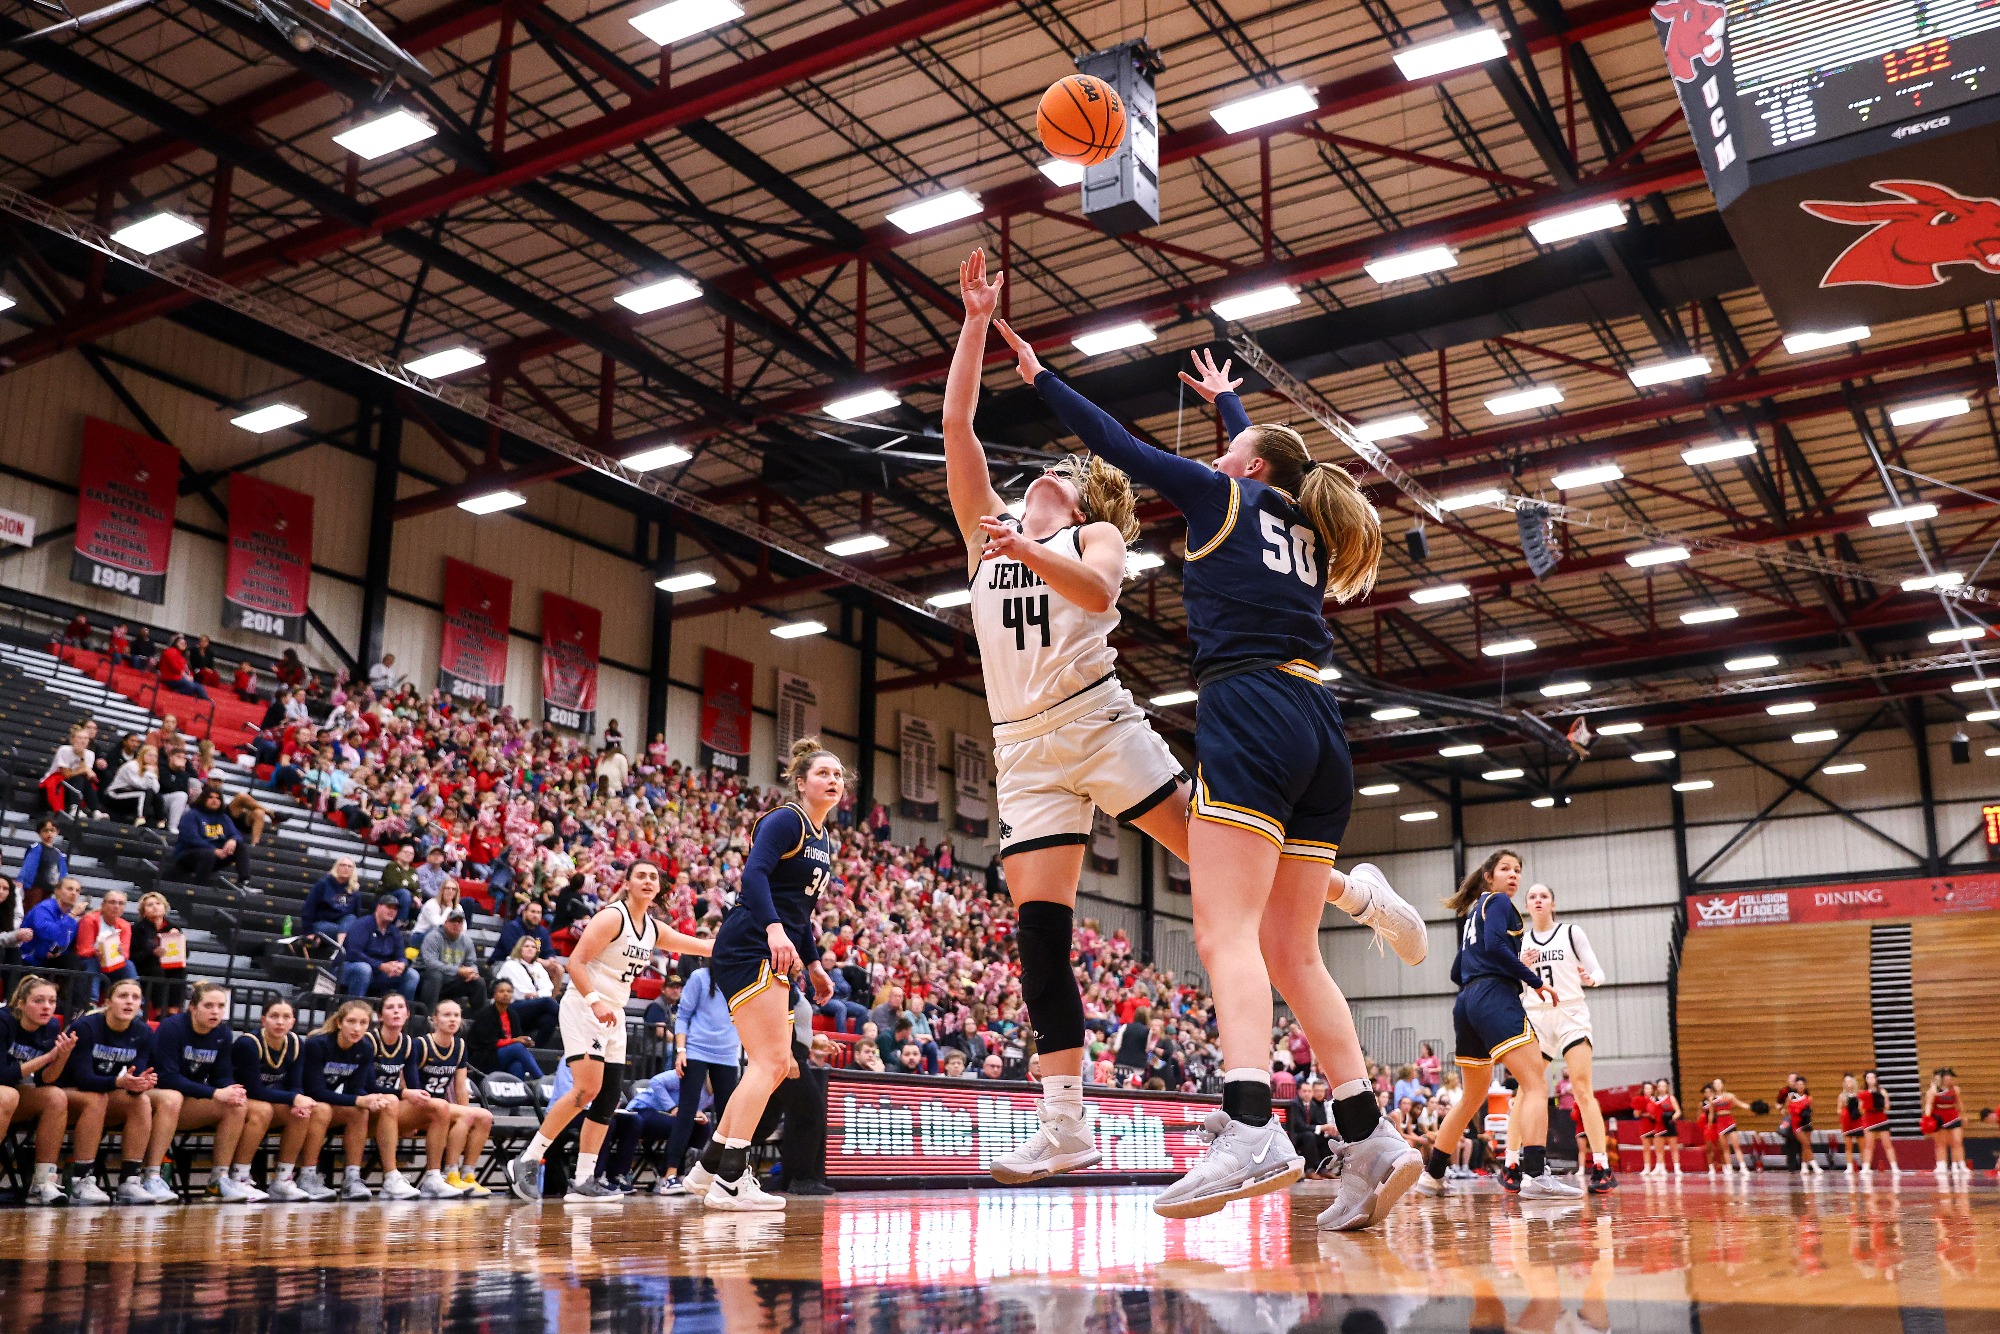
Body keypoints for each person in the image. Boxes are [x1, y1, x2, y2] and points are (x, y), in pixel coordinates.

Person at [995, 316, 1428, 1227]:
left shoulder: (1221, 493)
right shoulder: (1303, 518)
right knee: (1292, 950)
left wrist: (1040, 377)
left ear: (1248, 466)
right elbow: (1273, 459)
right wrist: (1231, 405)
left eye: (1230, 447)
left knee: (1226, 933)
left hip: (1251, 711)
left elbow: (1118, 444)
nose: (1217, 454)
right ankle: (1371, 1137)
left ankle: (1250, 1125)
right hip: (1319, 724)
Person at [945, 250, 1195, 1185]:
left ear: (1084, 499)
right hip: (1023, 750)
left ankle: (1342, 893)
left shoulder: (1094, 536)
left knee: (1217, 859)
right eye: (1044, 466)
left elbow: (1095, 591)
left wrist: (1025, 547)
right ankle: (1064, 1123)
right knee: (1040, 935)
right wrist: (976, 323)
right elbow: (957, 425)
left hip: (1098, 723)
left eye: (1066, 469)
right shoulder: (987, 534)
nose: (1049, 469)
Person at [679, 740, 842, 1212]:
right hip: (751, 942)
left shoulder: (823, 839)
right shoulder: (785, 820)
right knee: (770, 1063)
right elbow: (753, 877)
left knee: (772, 1066)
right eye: (823, 773)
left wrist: (814, 964)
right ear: (801, 782)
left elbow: (800, 912)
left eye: (837, 775)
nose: (833, 780)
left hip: (775, 948)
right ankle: (731, 1178)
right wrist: (773, 929)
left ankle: (709, 1168)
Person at [504, 860, 710, 1202]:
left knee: (609, 1098)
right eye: (640, 875)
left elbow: (703, 946)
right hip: (586, 1005)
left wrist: (750, 938)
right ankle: (526, 1159)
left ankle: (585, 1179)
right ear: (627, 883)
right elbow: (576, 962)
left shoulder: (653, 929)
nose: (647, 880)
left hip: (614, 1011)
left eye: (653, 877)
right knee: (586, 1089)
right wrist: (595, 1001)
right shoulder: (613, 917)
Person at [1415, 850, 1582, 1202]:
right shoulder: (1500, 903)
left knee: (1471, 1096)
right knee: (1535, 1084)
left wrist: (1504, 967)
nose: (1514, 875)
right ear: (1489, 876)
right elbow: (1493, 946)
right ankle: (1535, 1175)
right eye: (1506, 869)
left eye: (1518, 870)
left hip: (1466, 1002)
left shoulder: (1474, 913)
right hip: (1493, 997)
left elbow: (1457, 971)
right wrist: (1532, 980)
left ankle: (1433, 1175)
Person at [1518, 882, 1613, 1193]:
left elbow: (1598, 972)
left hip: (1570, 1012)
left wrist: (1590, 979)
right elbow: (1513, 985)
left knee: (1582, 1087)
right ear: (1526, 905)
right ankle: (1513, 1162)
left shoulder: (1571, 933)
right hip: (1537, 1015)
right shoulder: (1521, 941)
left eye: (1544, 896)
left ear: (1553, 903)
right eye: (1532, 897)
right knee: (1526, 1091)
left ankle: (1602, 1164)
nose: (1538, 900)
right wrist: (1521, 967)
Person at [59, 977, 170, 1204]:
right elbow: (83, 1078)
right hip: (69, 1093)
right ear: (107, 1002)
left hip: (106, 1092)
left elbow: (134, 1075)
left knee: (141, 1101)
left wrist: (141, 1084)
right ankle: (82, 1180)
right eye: (122, 996)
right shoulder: (86, 1027)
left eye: (135, 998)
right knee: (96, 1098)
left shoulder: (143, 1033)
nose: (129, 1002)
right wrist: (120, 1082)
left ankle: (130, 1181)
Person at [153, 981, 261, 1201]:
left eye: (221, 1006)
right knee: (173, 1097)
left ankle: (218, 1180)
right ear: (193, 1008)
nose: (215, 1011)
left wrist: (231, 1090)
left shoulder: (222, 1033)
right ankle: (151, 1176)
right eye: (209, 1005)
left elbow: (222, 1075)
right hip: (156, 1098)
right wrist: (214, 1093)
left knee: (236, 1106)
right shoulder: (172, 1027)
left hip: (188, 1101)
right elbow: (167, 1077)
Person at [235, 997, 337, 1201]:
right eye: (274, 1016)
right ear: (263, 1020)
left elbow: (296, 1084)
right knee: (264, 1109)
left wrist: (297, 1101)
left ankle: (283, 1179)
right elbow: (254, 1090)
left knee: (303, 1113)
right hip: (244, 1100)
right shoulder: (248, 1043)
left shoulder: (296, 1043)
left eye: (286, 1017)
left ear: (293, 1021)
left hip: (274, 1101)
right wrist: (294, 1097)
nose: (280, 1022)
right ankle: (239, 1178)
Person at [357, 991, 456, 1198]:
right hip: (363, 1106)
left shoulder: (408, 1043)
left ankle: (433, 1177)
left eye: (400, 1007)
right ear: (380, 1016)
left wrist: (415, 1113)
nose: (396, 1012)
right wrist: (404, 1093)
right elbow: (367, 1086)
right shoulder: (368, 1041)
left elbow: (414, 1087)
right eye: (390, 1008)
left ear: (408, 1014)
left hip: (389, 1107)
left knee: (440, 1106)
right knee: (392, 1100)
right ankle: (391, 1178)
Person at [302, 999, 400, 1200]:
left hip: (327, 1103)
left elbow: (355, 1089)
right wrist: (359, 1100)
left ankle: (352, 1178)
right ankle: (307, 1176)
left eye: (363, 1023)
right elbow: (314, 1090)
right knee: (328, 1108)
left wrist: (370, 1100)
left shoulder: (364, 1048)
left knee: (359, 1111)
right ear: (339, 1023)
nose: (357, 1028)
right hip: (304, 1103)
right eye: (351, 1021)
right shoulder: (317, 1044)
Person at [659, 960, 740, 1195]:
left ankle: (724, 1175)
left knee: (728, 1116)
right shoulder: (699, 977)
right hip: (696, 1050)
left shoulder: (741, 979)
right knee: (687, 1112)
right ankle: (669, 1175)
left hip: (727, 1054)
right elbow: (683, 1015)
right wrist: (681, 1051)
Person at [4, 974, 80, 1204]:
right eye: (38, 1001)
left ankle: (42, 1182)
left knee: (55, 1097)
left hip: (12, 1097)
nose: (47, 1007)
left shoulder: (51, 1026)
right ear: (20, 1004)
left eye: (52, 1001)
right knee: (7, 1095)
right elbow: (2, 1075)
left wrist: (61, 1057)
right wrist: (47, 1057)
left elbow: (45, 1080)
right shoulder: (4, 1022)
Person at [413, 998, 493, 1196]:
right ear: (434, 1019)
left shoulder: (459, 1045)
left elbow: (460, 1087)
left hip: (442, 1108)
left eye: (456, 1015)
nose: (453, 1019)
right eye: (447, 1015)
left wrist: (468, 1114)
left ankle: (468, 1175)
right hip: (418, 1105)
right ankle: (450, 1173)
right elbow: (406, 1082)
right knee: (464, 1114)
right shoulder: (421, 1044)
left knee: (484, 1116)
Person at [339, 896, 418, 1002]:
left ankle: (403, 1009)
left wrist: (402, 965)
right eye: (388, 907)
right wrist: (380, 965)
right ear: (378, 907)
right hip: (350, 967)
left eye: (395, 909)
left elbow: (401, 956)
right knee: (363, 969)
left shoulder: (394, 931)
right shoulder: (362, 924)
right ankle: (354, 1007)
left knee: (412, 975)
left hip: (380, 974)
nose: (392, 911)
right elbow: (353, 953)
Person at [467, 980, 545, 1083]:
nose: (506, 994)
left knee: (517, 1066)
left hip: (504, 1057)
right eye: (501, 991)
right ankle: (541, 1079)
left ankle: (518, 1092)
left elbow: (516, 1038)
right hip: (485, 1058)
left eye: (509, 991)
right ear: (494, 995)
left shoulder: (513, 1015)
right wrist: (514, 1041)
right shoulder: (485, 1014)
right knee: (517, 1047)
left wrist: (524, 1042)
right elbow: (487, 1042)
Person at [170, 786, 248, 885]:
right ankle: (200, 886)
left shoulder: (223, 817)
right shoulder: (192, 815)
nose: (215, 800)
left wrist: (233, 839)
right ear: (203, 799)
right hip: (189, 854)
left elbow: (236, 834)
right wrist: (213, 850)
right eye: (211, 797)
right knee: (208, 854)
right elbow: (191, 838)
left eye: (218, 798)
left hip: (215, 855)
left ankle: (244, 882)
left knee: (240, 846)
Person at [75, 889, 137, 1003]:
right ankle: (91, 1001)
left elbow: (126, 954)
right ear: (103, 905)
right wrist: (97, 952)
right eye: (112, 902)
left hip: (113, 964)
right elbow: (83, 950)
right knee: (94, 963)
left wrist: (120, 953)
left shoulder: (125, 925)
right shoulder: (90, 919)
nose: (116, 906)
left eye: (121, 903)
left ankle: (136, 1000)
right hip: (90, 961)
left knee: (128, 965)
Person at [419, 909, 487, 1011]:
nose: (456, 924)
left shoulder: (466, 941)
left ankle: (480, 1017)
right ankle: (429, 1014)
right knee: (435, 975)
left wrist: (473, 973)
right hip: (428, 980)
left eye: (459, 922)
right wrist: (458, 970)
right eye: (453, 921)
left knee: (478, 981)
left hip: (452, 983)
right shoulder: (433, 936)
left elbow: (471, 963)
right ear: (446, 922)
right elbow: (430, 963)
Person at [130, 891, 187, 1012]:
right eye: (150, 905)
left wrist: (178, 941)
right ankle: (159, 1011)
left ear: (165, 907)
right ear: (143, 911)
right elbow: (133, 956)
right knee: (158, 970)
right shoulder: (137, 929)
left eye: (158, 903)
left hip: (170, 965)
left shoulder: (173, 927)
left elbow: (186, 954)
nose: (155, 907)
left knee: (179, 970)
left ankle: (174, 1010)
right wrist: (152, 953)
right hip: (146, 967)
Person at [17, 875, 82, 970]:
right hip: (29, 959)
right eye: (69, 889)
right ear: (57, 891)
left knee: (72, 960)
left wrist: (57, 953)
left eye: (77, 891)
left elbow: (66, 945)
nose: (74, 893)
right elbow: (49, 934)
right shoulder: (44, 908)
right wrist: (72, 915)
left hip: (49, 960)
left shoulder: (71, 918)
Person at [304, 856, 365, 950]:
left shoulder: (354, 891)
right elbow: (309, 907)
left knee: (351, 918)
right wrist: (308, 932)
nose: (346, 868)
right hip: (322, 924)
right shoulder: (323, 884)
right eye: (343, 865)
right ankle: (341, 948)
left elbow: (357, 915)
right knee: (348, 933)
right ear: (336, 867)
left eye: (349, 866)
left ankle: (339, 947)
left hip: (344, 925)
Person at [40, 723, 97, 816]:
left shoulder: (90, 754)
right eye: (80, 738)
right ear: (72, 739)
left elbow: (86, 776)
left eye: (86, 738)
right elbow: (66, 774)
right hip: (58, 778)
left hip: (76, 781)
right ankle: (74, 808)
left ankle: (95, 810)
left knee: (84, 780)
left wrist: (82, 757)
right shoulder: (64, 750)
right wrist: (84, 769)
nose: (83, 741)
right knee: (79, 778)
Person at [104, 744, 168, 827]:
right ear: (142, 754)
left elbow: (155, 789)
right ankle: (140, 818)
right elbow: (139, 784)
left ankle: (161, 821)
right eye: (150, 755)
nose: (153, 758)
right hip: (115, 794)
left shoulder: (151, 769)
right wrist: (149, 773)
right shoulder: (132, 765)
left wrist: (152, 773)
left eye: (155, 756)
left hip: (131, 794)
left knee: (157, 796)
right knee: (144, 793)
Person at [1702, 1078, 1752, 1175]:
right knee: (1725, 1148)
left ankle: (1743, 1167)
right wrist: (1709, 1125)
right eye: (1716, 1084)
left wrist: (1751, 1107)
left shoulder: (1729, 1096)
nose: (1718, 1085)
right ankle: (1729, 1168)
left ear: (1723, 1085)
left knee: (1736, 1146)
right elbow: (1711, 1113)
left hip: (1729, 1121)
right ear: (1713, 1086)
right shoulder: (1712, 1099)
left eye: (1719, 1083)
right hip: (1720, 1123)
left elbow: (1740, 1103)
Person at [1925, 1067, 1969, 1179]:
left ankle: (1961, 1165)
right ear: (1942, 1079)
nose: (1949, 1079)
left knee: (1957, 1141)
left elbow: (1959, 1103)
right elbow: (1929, 1104)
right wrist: (1927, 1118)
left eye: (1951, 1078)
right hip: (1939, 1117)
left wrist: (1963, 1115)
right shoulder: (1933, 1090)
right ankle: (1941, 1165)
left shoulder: (1955, 1089)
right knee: (1941, 1143)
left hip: (1953, 1116)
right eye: (1947, 1078)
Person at [18, 819, 69, 901]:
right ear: (39, 833)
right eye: (45, 831)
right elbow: (28, 866)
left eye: (52, 830)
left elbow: (62, 872)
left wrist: (62, 887)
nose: (49, 833)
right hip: (35, 887)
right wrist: (22, 881)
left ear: (57, 832)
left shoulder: (58, 853)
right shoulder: (36, 848)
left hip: (50, 890)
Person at [1858, 1070, 1896, 1177]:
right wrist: (1868, 1106)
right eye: (1868, 1078)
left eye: (1872, 1077)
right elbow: (1860, 1108)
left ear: (1876, 1079)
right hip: (1869, 1119)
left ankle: (1894, 1167)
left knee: (1887, 1144)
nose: (1871, 1079)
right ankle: (1866, 1168)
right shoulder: (1863, 1093)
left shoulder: (1882, 1091)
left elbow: (1887, 1106)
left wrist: (1879, 1104)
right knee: (1869, 1145)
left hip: (1881, 1118)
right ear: (1865, 1080)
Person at [1784, 1073, 1822, 1174]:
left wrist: (1806, 1112)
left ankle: (1804, 1166)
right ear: (1795, 1086)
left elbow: (1811, 1110)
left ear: (1805, 1086)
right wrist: (1796, 1112)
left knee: (1805, 1146)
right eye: (1798, 1084)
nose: (1800, 1086)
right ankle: (1814, 1166)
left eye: (1802, 1084)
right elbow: (1786, 1110)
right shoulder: (1791, 1097)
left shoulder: (1808, 1098)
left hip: (1806, 1124)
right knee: (1806, 1144)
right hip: (1797, 1125)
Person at [157, 635, 209, 701]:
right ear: (176, 643)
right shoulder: (170, 651)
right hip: (170, 677)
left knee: (199, 687)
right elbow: (175, 667)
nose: (183, 645)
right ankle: (175, 695)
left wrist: (190, 676)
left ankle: (206, 701)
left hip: (180, 677)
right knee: (190, 686)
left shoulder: (182, 656)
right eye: (181, 643)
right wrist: (186, 676)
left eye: (184, 644)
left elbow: (187, 669)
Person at [1836, 1073, 1864, 1173]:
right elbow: (1838, 1110)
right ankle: (1849, 1166)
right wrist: (1846, 1110)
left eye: (1850, 1081)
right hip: (1847, 1123)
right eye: (1846, 1081)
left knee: (1862, 1146)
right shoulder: (1842, 1096)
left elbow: (1863, 1109)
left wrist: (1858, 1109)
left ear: (1854, 1082)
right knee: (1848, 1146)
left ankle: (1865, 1166)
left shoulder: (1859, 1094)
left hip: (1858, 1122)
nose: (1848, 1083)